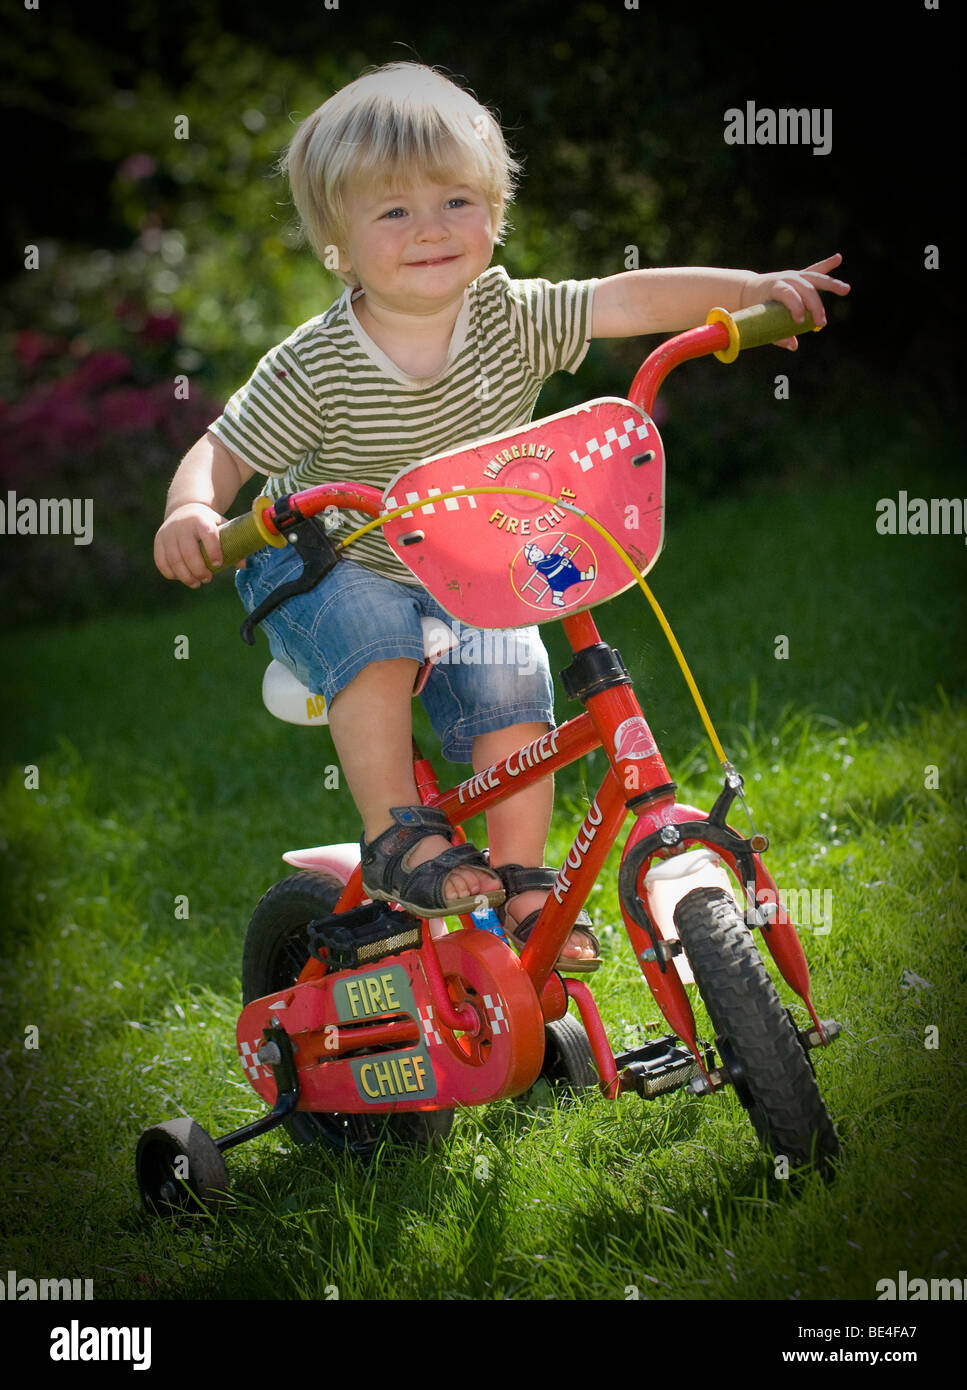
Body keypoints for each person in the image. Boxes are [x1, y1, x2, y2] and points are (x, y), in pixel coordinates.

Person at [153, 62, 849, 971]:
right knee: (375, 632)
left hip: (464, 563)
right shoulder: (314, 365)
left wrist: (746, 288)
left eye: (455, 201)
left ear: (494, 211)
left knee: (516, 678)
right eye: (393, 211)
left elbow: (624, 298)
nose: (430, 228)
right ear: (336, 245)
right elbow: (225, 445)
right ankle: (396, 835)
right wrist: (191, 506)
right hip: (331, 562)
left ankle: (522, 879)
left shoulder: (509, 317)